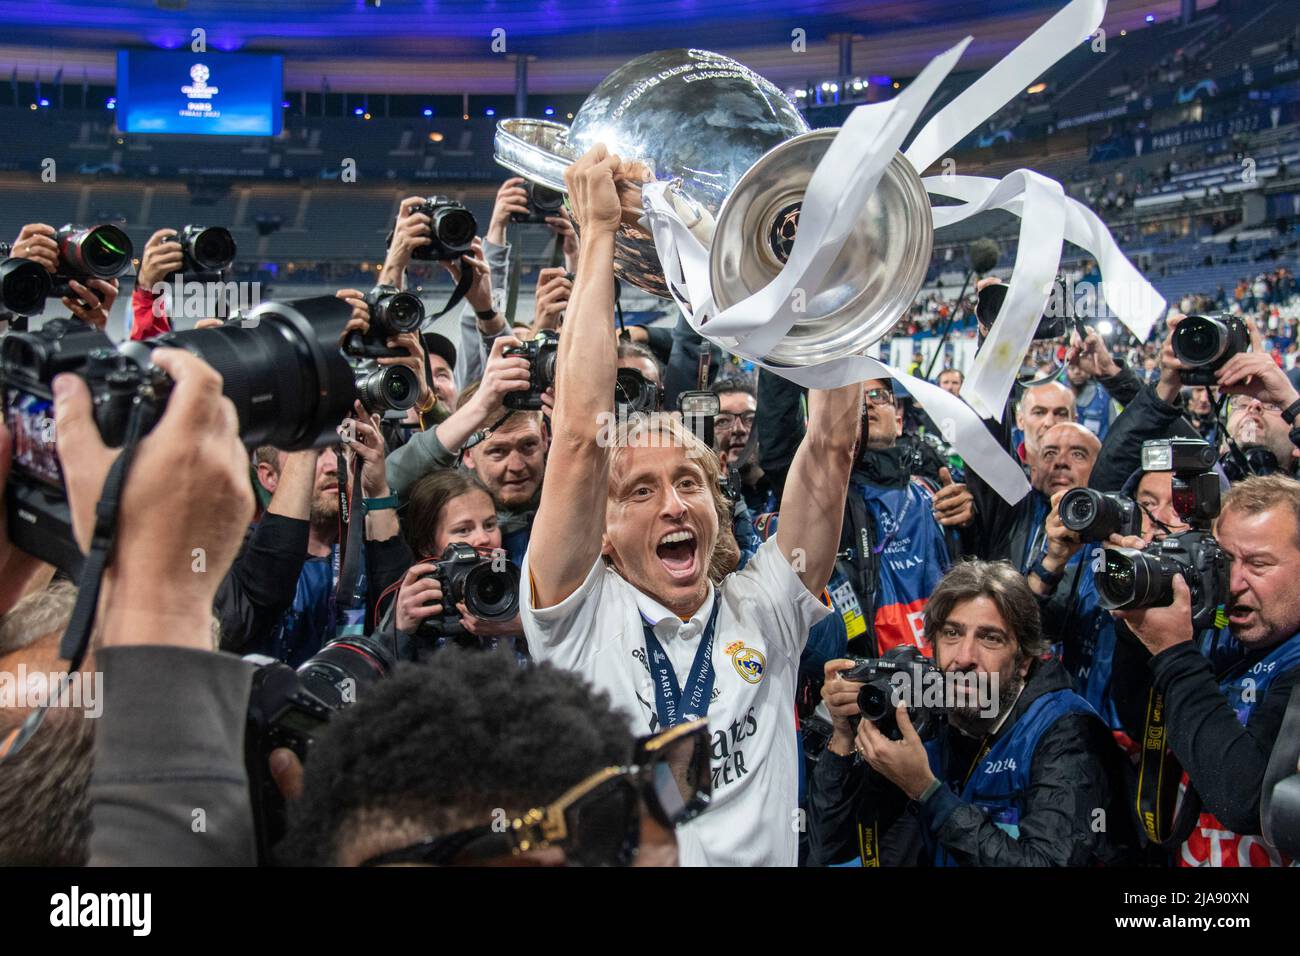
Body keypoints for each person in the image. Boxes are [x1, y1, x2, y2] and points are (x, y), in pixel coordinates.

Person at [520, 144, 863, 866]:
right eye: (639, 491)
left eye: (690, 482)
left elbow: (831, 444)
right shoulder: (576, 618)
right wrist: (598, 237)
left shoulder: (766, 603)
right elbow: (580, 436)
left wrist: (822, 274)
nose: (673, 505)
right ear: (602, 537)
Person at [808, 560, 1132, 867]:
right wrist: (842, 739)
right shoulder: (925, 714)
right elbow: (831, 845)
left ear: (1023, 662)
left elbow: (1044, 861)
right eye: (952, 633)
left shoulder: (1069, 733)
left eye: (989, 638)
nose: (964, 657)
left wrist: (928, 792)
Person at [1114, 476, 1300, 867]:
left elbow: (1246, 800)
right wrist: (1138, 630)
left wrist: (1175, 655)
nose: (1233, 583)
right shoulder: (1217, 634)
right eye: (1225, 560)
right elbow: (1146, 727)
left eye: (1258, 564)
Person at [215, 405, 412, 665]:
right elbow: (235, 624)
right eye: (316, 452)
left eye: (339, 450)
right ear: (269, 477)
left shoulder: (369, 551)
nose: (332, 466)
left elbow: (398, 621)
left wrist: (376, 490)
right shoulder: (236, 556)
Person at [377, 469, 525, 659]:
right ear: (426, 545)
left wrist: (523, 627)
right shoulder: (417, 598)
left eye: (489, 525)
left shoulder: (519, 585)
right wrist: (401, 629)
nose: (483, 538)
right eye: (463, 530)